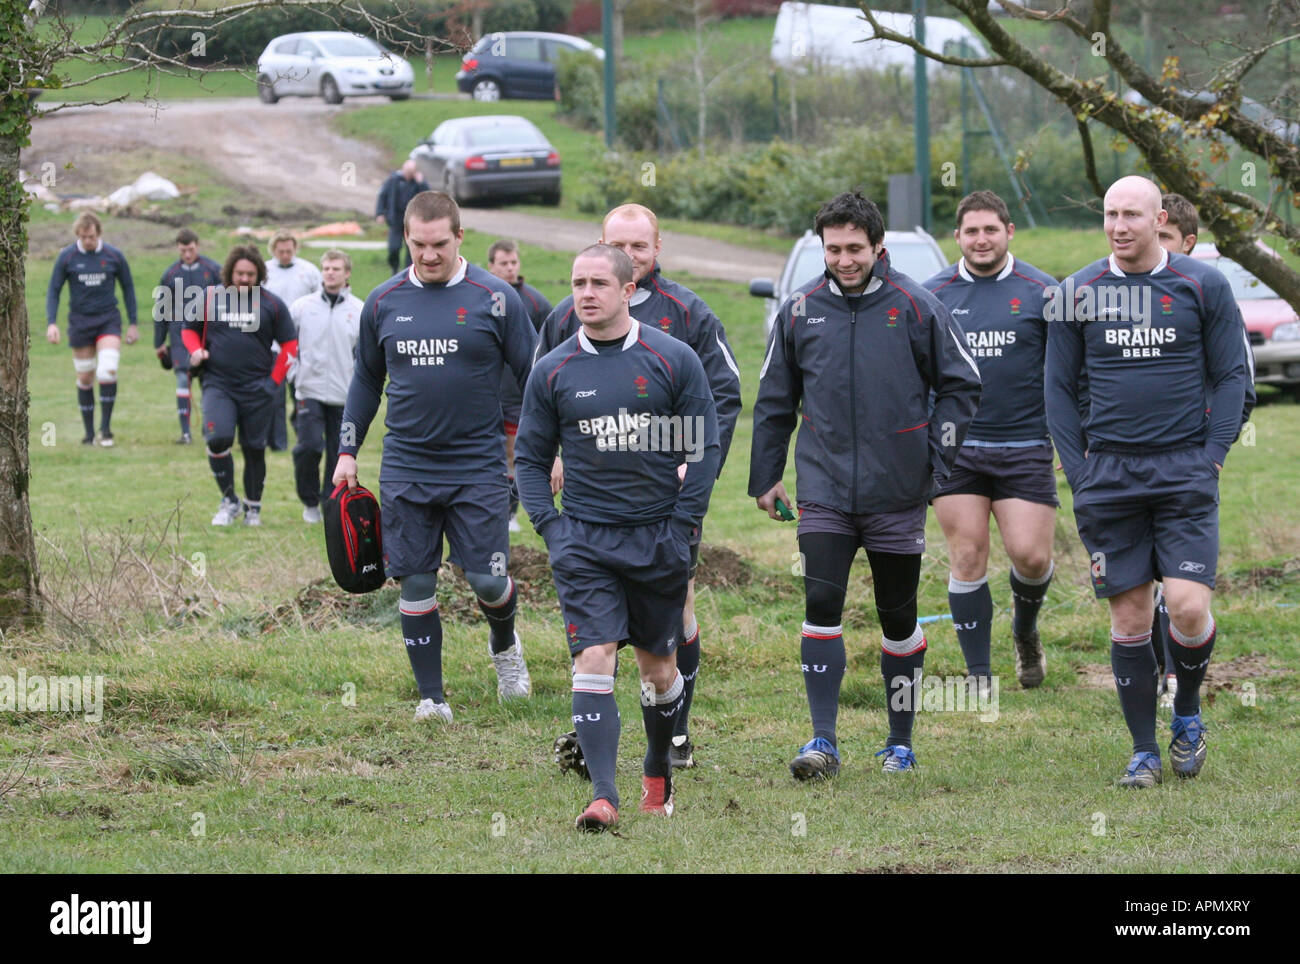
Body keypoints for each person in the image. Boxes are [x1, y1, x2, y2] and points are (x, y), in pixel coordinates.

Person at [749, 190, 981, 779]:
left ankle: (899, 743)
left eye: (855, 248)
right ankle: (821, 742)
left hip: (897, 491)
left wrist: (937, 460)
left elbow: (963, 385)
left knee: (897, 617)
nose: (845, 259)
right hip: (823, 487)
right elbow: (775, 400)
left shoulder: (917, 305)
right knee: (821, 603)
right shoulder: (800, 310)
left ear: (878, 245)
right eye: (834, 249)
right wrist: (766, 476)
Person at [1045, 175, 1250, 787]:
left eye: (1132, 214)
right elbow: (1056, 387)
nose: (1119, 226)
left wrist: (1213, 454)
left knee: (1187, 607)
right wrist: (1079, 471)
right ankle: (1143, 751)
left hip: (1185, 470)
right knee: (1130, 618)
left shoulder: (1203, 283)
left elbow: (1232, 375)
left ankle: (1186, 712)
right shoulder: (1074, 293)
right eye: (1110, 214)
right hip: (1108, 475)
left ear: (1159, 218)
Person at [516, 243, 720, 831]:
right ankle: (603, 796)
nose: (586, 293)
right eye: (578, 282)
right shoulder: (553, 369)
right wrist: (551, 528)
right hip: (582, 540)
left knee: (658, 674)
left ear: (629, 290)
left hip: (657, 539)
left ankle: (657, 765)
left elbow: (701, 449)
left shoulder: (671, 359)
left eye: (599, 283)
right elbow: (529, 459)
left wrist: (684, 524)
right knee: (594, 656)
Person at [541, 204, 742, 770]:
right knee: (592, 621)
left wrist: (691, 462)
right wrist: (554, 453)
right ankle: (590, 736)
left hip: (665, 498)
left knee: (676, 611)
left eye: (640, 247)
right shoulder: (567, 314)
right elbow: (543, 392)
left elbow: (723, 396)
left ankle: (675, 732)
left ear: (658, 251)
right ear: (598, 245)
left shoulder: (689, 314)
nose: (629, 255)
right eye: (616, 245)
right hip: (592, 500)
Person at [334, 191, 537, 720]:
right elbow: (366, 380)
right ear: (406, 237)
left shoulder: (496, 299)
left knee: (488, 579)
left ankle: (505, 648)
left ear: (460, 238)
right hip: (407, 466)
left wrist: (551, 447)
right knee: (417, 579)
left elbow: (537, 378)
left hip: (479, 465)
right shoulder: (382, 302)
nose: (428, 255)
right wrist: (347, 449)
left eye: (439, 244)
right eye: (419, 244)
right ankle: (432, 698)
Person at [922, 191, 1059, 689]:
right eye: (971, 231)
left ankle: (1025, 631)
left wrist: (1071, 436)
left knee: (1031, 556)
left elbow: (1069, 374)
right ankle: (978, 675)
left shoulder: (1045, 291)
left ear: (1009, 232)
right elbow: (915, 375)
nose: (981, 239)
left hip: (1024, 444)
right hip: (957, 448)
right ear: (957, 237)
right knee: (967, 553)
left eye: (991, 230)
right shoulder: (932, 294)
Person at [1148, 193, 1256, 707]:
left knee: (1179, 584)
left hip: (1189, 463)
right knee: (1139, 581)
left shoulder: (1208, 295)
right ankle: (1151, 671)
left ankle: (1176, 679)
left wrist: (1211, 451)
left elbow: (1242, 385)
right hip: (1126, 464)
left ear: (1185, 242)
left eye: (1163, 239)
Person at [182, 245, 297, 527]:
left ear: (259, 275)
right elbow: (188, 330)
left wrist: (273, 382)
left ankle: (253, 508)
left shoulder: (272, 304)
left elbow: (290, 345)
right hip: (218, 385)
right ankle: (230, 500)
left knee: (254, 449)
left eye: (250, 274)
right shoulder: (211, 299)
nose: (244, 279)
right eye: (239, 273)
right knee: (218, 438)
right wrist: (196, 351)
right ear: (229, 273)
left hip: (258, 388)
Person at [45, 212, 138, 447]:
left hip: (108, 320)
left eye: (92, 236)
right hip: (79, 322)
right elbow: (53, 290)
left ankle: (105, 431)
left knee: (107, 370)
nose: (89, 241)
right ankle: (88, 434)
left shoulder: (114, 256)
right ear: (78, 235)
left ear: (99, 233)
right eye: (84, 237)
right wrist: (51, 323)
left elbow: (128, 288)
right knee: (85, 376)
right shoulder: (67, 257)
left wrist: (133, 323)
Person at [289, 250, 362, 524]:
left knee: (338, 452)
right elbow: (284, 344)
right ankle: (309, 501)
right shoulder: (302, 307)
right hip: (309, 390)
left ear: (347, 274)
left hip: (345, 396)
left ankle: (331, 505)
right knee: (308, 447)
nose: (330, 272)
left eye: (336, 268)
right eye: (326, 268)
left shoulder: (359, 310)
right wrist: (294, 375)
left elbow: (366, 355)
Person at [486, 239, 553, 534]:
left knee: (514, 457)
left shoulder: (537, 304)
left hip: (518, 396)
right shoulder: (481, 296)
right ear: (491, 266)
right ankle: (484, 510)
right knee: (487, 456)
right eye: (504, 263)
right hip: (485, 396)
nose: (510, 268)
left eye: (514, 262)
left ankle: (510, 513)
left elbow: (547, 350)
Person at [155, 228, 222, 445]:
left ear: (198, 246)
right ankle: (186, 433)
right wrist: (159, 342)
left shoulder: (213, 270)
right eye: (183, 250)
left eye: (190, 249)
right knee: (184, 378)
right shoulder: (170, 274)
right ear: (178, 248)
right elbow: (162, 310)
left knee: (207, 381)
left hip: (207, 335)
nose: (187, 254)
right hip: (179, 336)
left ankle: (207, 428)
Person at [264, 230, 322, 452]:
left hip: (302, 344)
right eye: (281, 251)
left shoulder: (309, 272)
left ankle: (303, 434)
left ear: (295, 249)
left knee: (301, 393)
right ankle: (277, 442)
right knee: (274, 396)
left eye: (289, 251)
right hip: (274, 345)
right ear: (273, 250)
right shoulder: (266, 272)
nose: (286, 255)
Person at [376, 160, 426, 274]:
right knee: (394, 247)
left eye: (412, 172)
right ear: (403, 170)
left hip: (412, 222)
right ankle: (394, 268)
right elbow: (382, 195)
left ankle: (409, 272)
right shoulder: (393, 180)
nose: (409, 175)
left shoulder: (418, 182)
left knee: (411, 248)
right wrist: (380, 213)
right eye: (407, 172)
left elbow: (427, 197)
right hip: (395, 219)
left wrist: (421, 183)